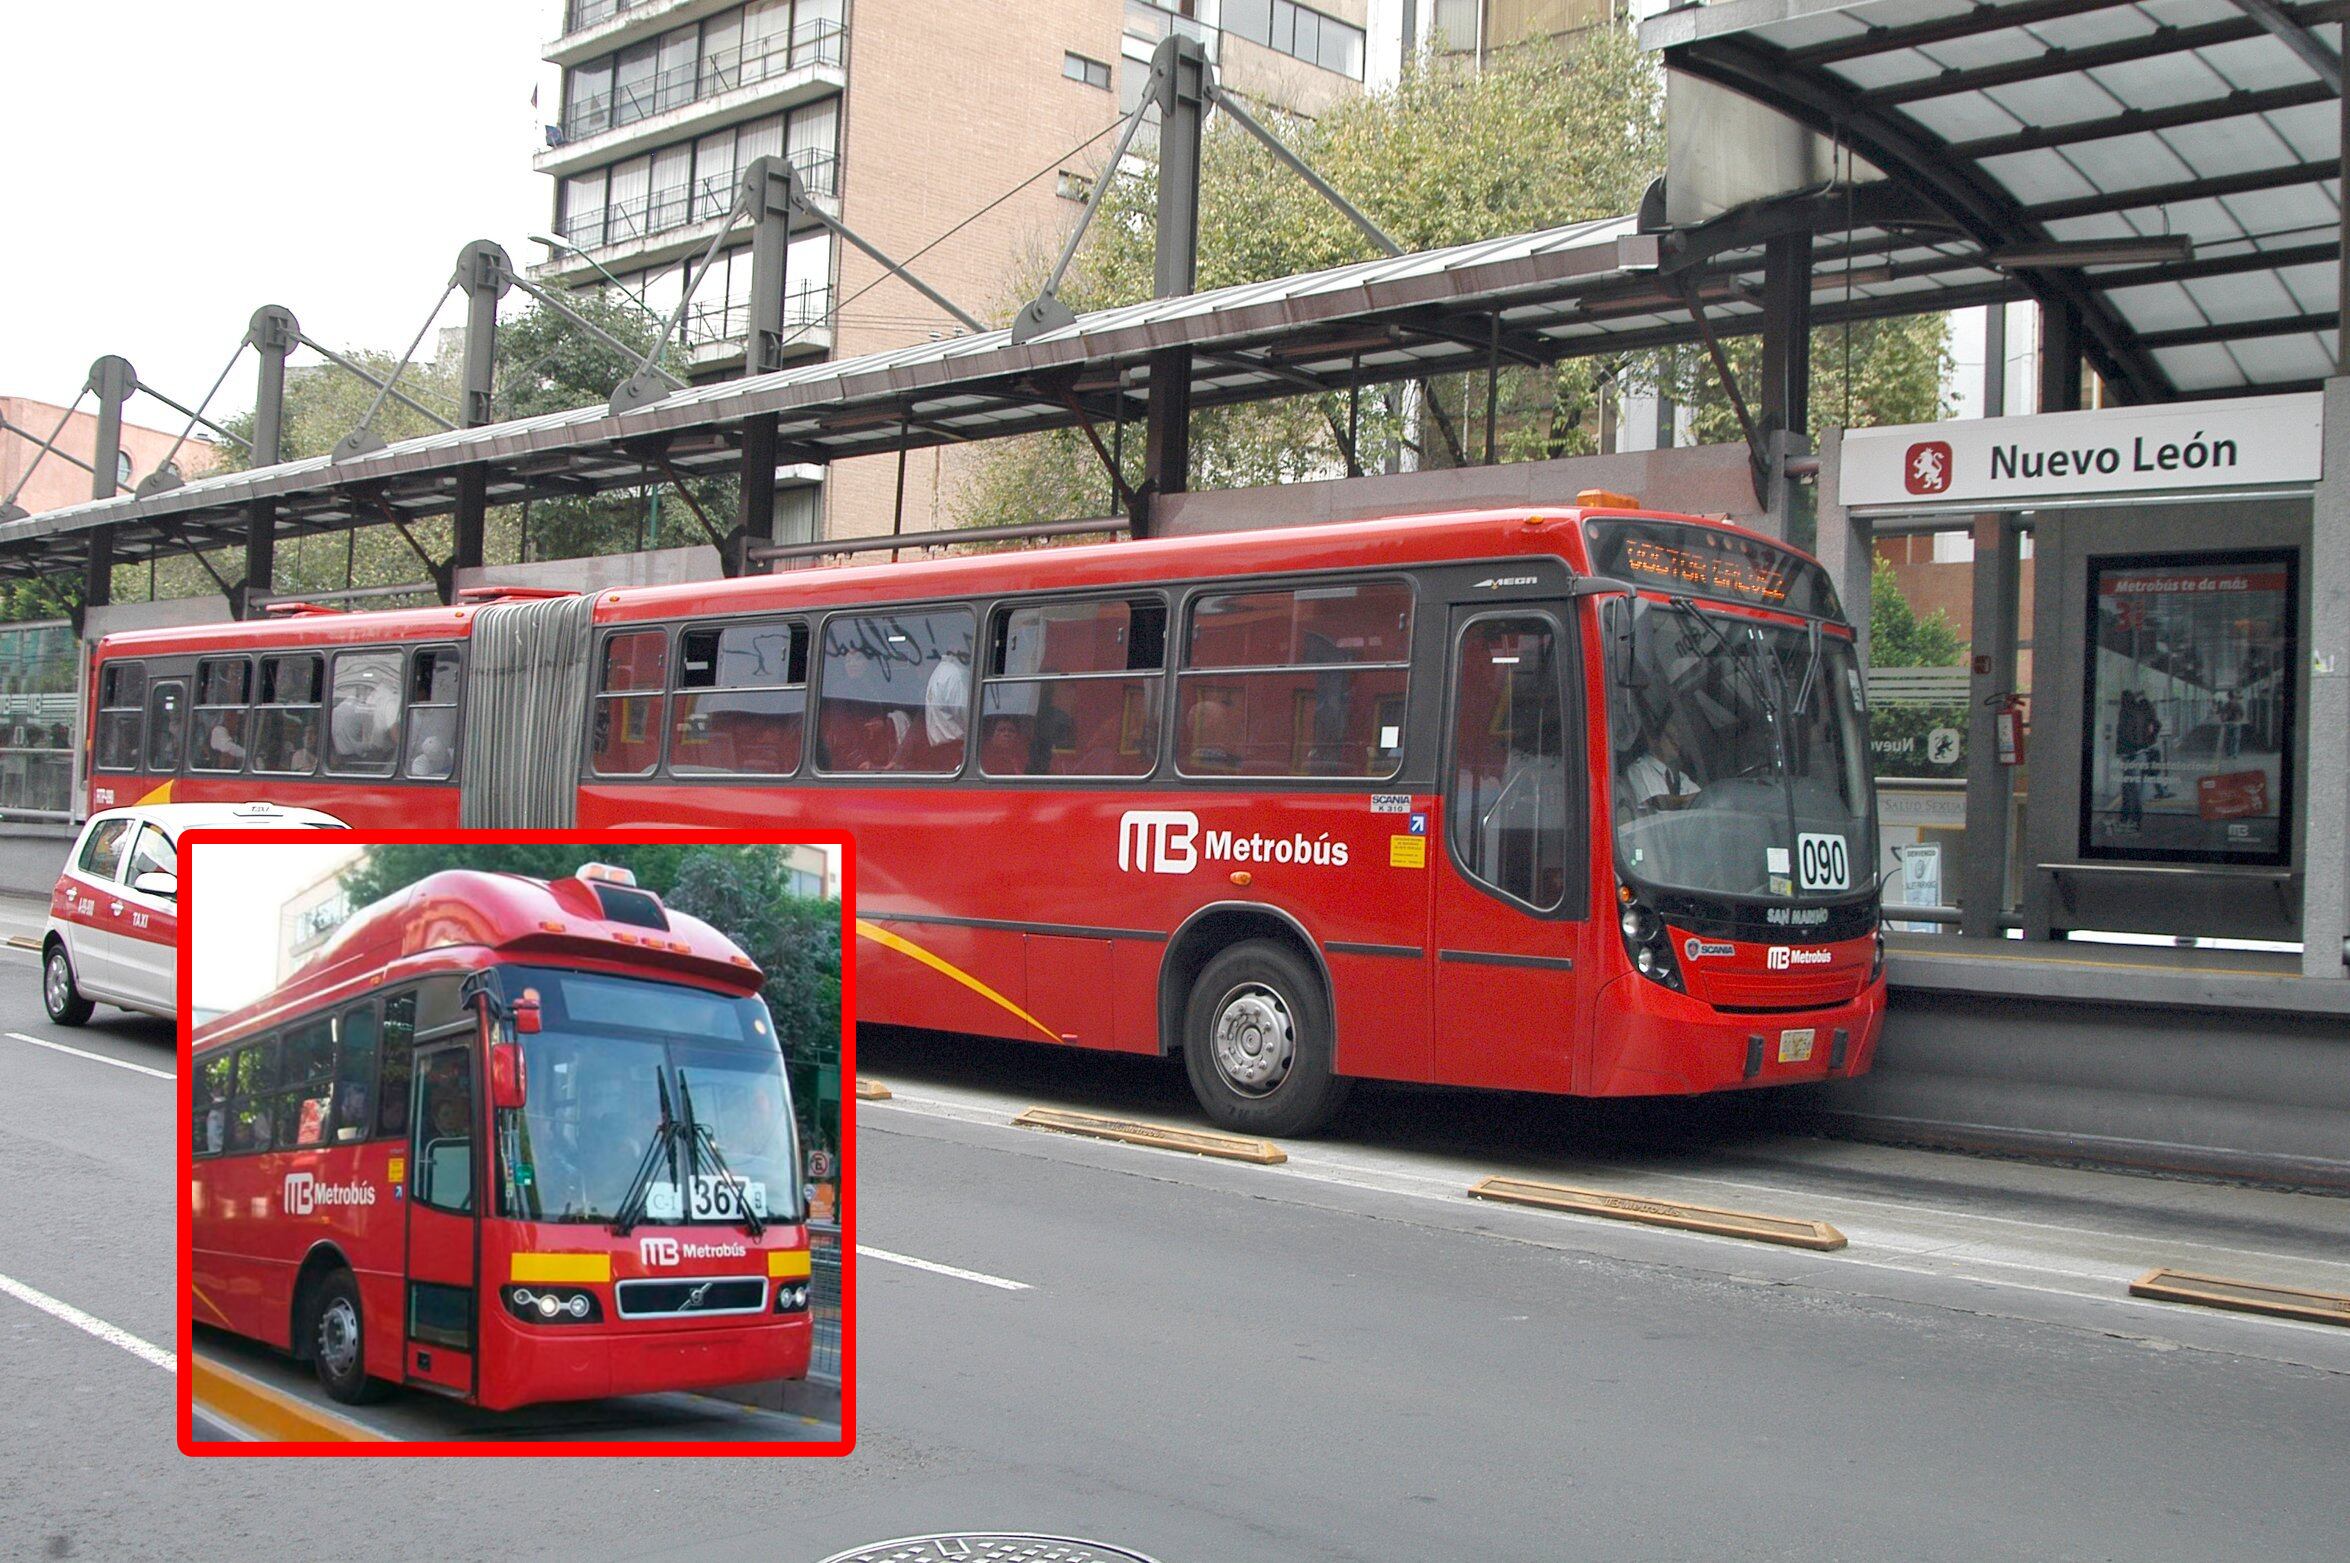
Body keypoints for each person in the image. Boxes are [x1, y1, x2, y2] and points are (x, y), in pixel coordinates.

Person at [1621, 727, 1700, 813]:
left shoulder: (1679, 777)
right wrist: (1685, 799)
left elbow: (1701, 799)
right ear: (1653, 740)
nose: (1676, 742)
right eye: (1670, 737)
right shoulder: (1637, 770)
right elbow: (1657, 806)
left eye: (1678, 738)